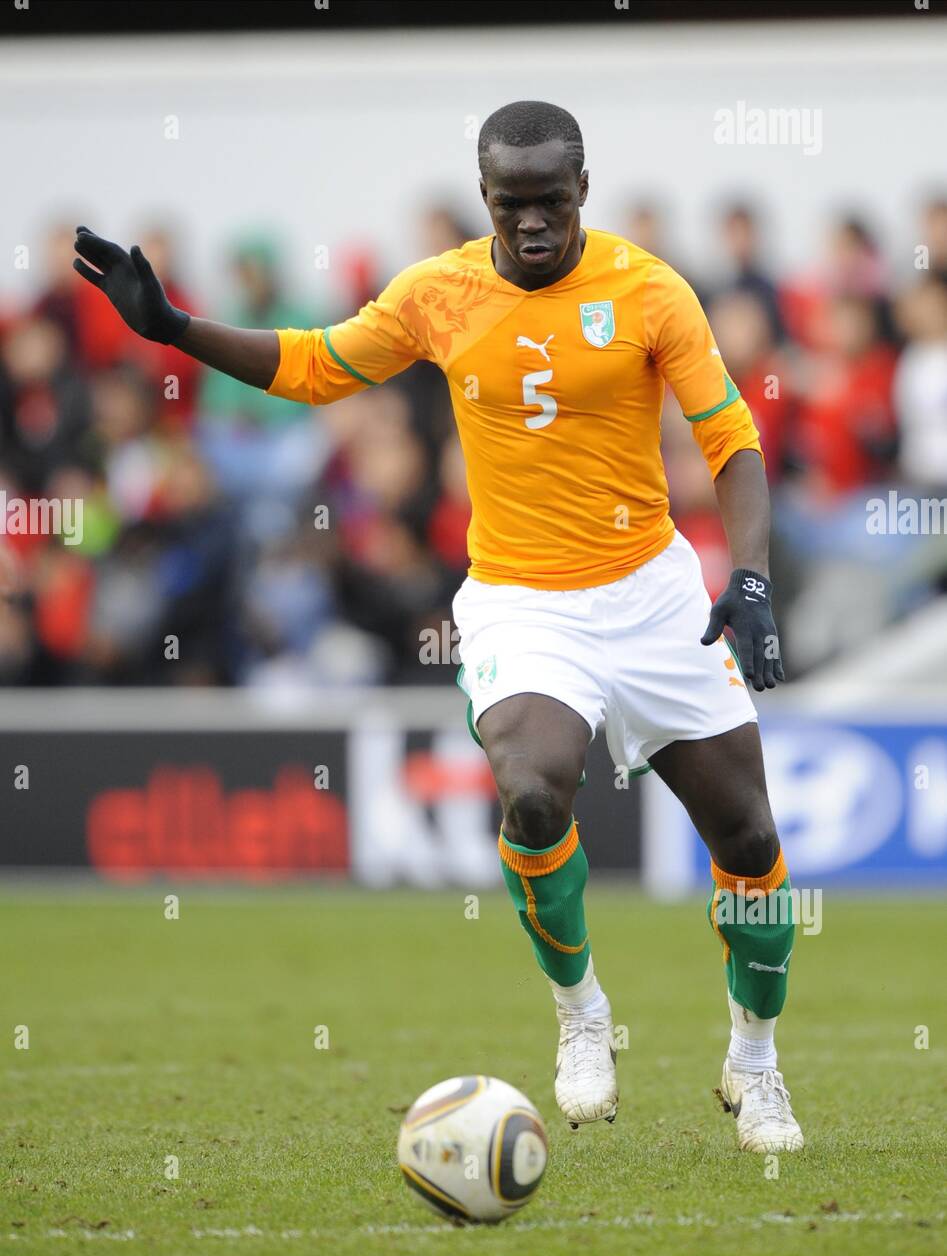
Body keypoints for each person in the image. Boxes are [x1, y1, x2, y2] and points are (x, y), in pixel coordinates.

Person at [71, 100, 802, 1153]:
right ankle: (581, 1014)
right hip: (519, 598)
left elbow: (729, 437)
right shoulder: (439, 292)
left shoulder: (648, 290)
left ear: (582, 191)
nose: (535, 221)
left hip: (648, 591)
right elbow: (316, 365)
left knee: (749, 836)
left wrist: (752, 576)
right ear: (485, 199)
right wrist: (175, 328)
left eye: (552, 200)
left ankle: (755, 1063)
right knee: (534, 784)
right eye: (513, 204)